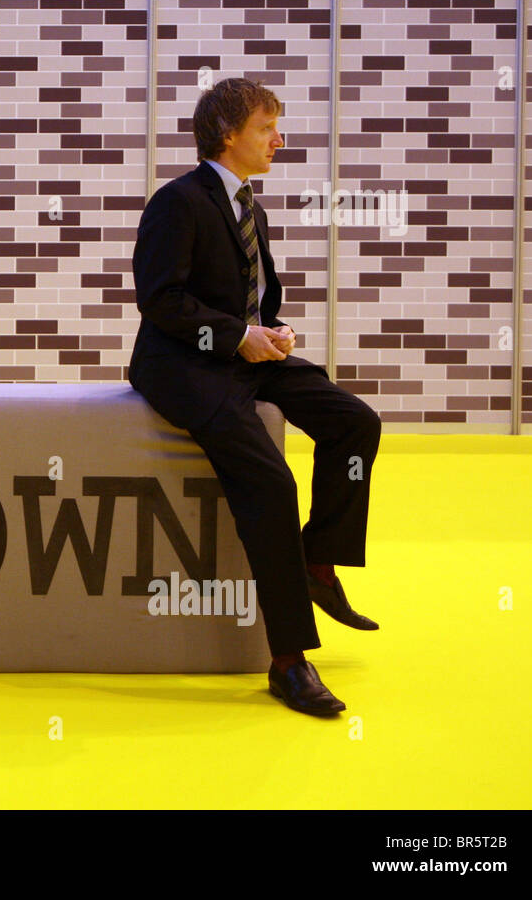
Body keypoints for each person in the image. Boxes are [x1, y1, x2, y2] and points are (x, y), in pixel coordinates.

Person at [128, 77, 382, 717]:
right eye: (268, 127)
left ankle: (319, 564)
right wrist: (237, 336)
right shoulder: (177, 202)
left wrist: (268, 332)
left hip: (245, 354)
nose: (280, 138)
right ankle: (289, 661)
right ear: (228, 134)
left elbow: (252, 293)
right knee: (272, 485)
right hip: (183, 365)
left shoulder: (247, 203)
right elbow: (160, 300)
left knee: (355, 423)